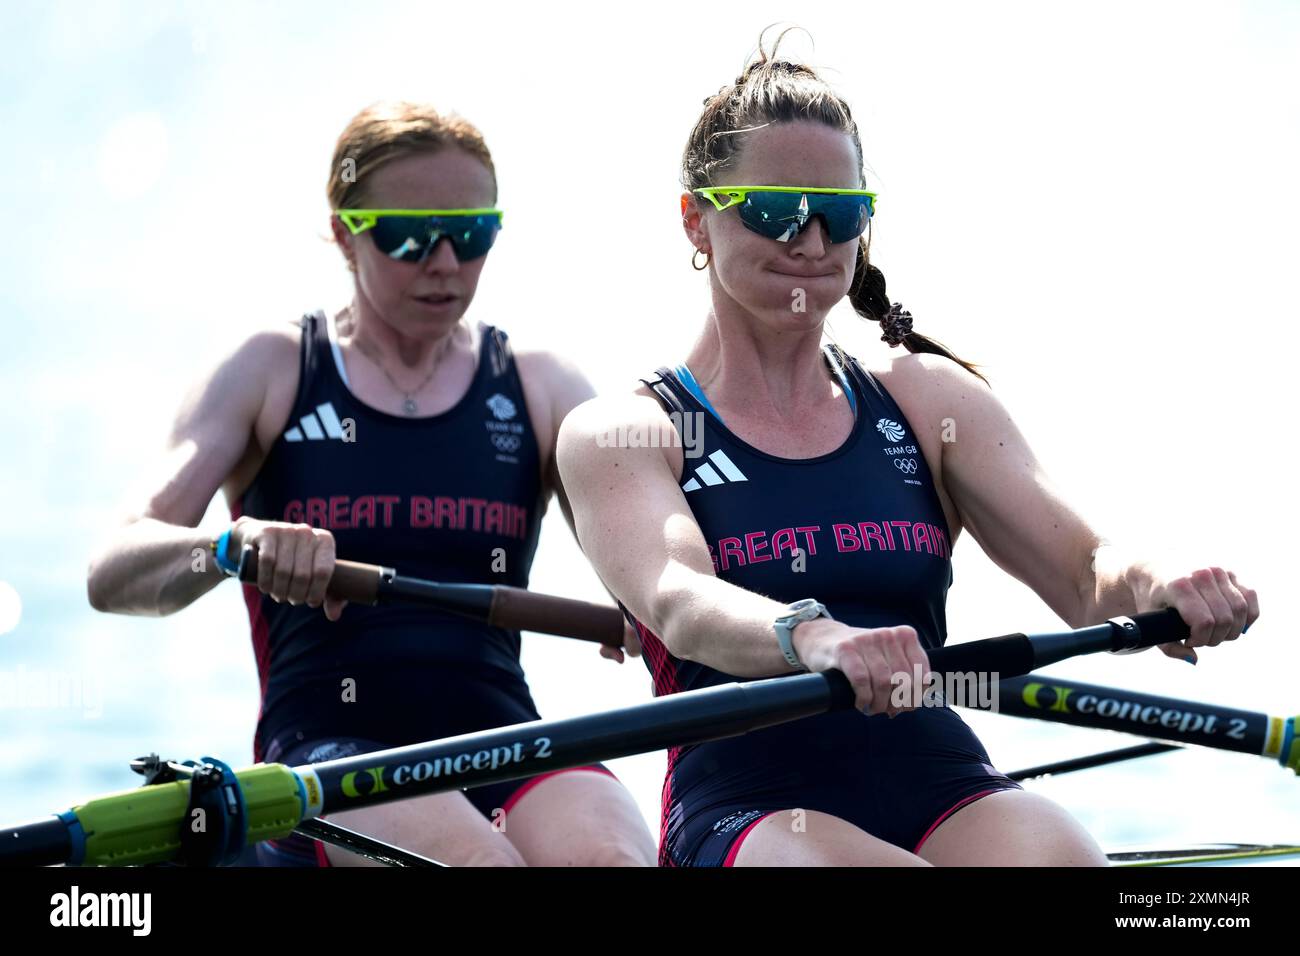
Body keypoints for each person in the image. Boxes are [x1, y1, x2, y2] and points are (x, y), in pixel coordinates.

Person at [556, 39, 1259, 867]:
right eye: (776, 209)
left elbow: (1084, 570)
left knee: (1066, 856)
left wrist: (1160, 583)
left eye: (842, 213)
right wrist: (809, 637)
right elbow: (677, 598)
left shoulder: (927, 399)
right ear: (695, 219)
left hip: (934, 777)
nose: (813, 239)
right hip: (751, 801)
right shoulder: (625, 430)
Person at [87, 100, 655, 867]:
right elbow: (114, 569)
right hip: (325, 752)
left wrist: (666, 601)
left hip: (506, 738)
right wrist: (229, 547)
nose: (446, 262)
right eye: (409, 235)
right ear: (344, 229)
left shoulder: (542, 384)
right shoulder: (272, 369)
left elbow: (658, 555)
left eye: (473, 233)